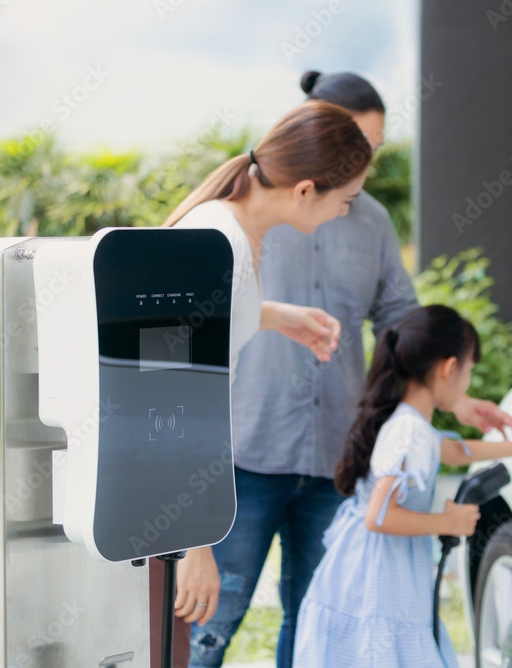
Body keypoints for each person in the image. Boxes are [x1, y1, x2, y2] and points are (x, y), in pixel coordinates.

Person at [188, 72, 512, 668]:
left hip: (334, 454)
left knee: (320, 619)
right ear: (315, 154)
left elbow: (401, 319)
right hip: (243, 450)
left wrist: (454, 397)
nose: (365, 164)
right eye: (356, 147)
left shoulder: (361, 220)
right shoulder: (236, 230)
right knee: (208, 620)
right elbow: (185, 378)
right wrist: (191, 540)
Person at [147, 99, 374, 668]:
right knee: (188, 647)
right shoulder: (216, 241)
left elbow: (208, 323)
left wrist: (277, 316)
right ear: (304, 191)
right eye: (343, 201)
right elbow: (169, 398)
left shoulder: (235, 232)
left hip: (187, 487)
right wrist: (196, 545)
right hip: (173, 496)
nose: (344, 214)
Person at [292, 305, 512, 667]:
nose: (468, 380)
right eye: (469, 370)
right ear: (449, 368)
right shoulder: (410, 431)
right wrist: (447, 522)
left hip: (376, 570)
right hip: (379, 580)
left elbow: (453, 451)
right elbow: (379, 515)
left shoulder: (411, 424)